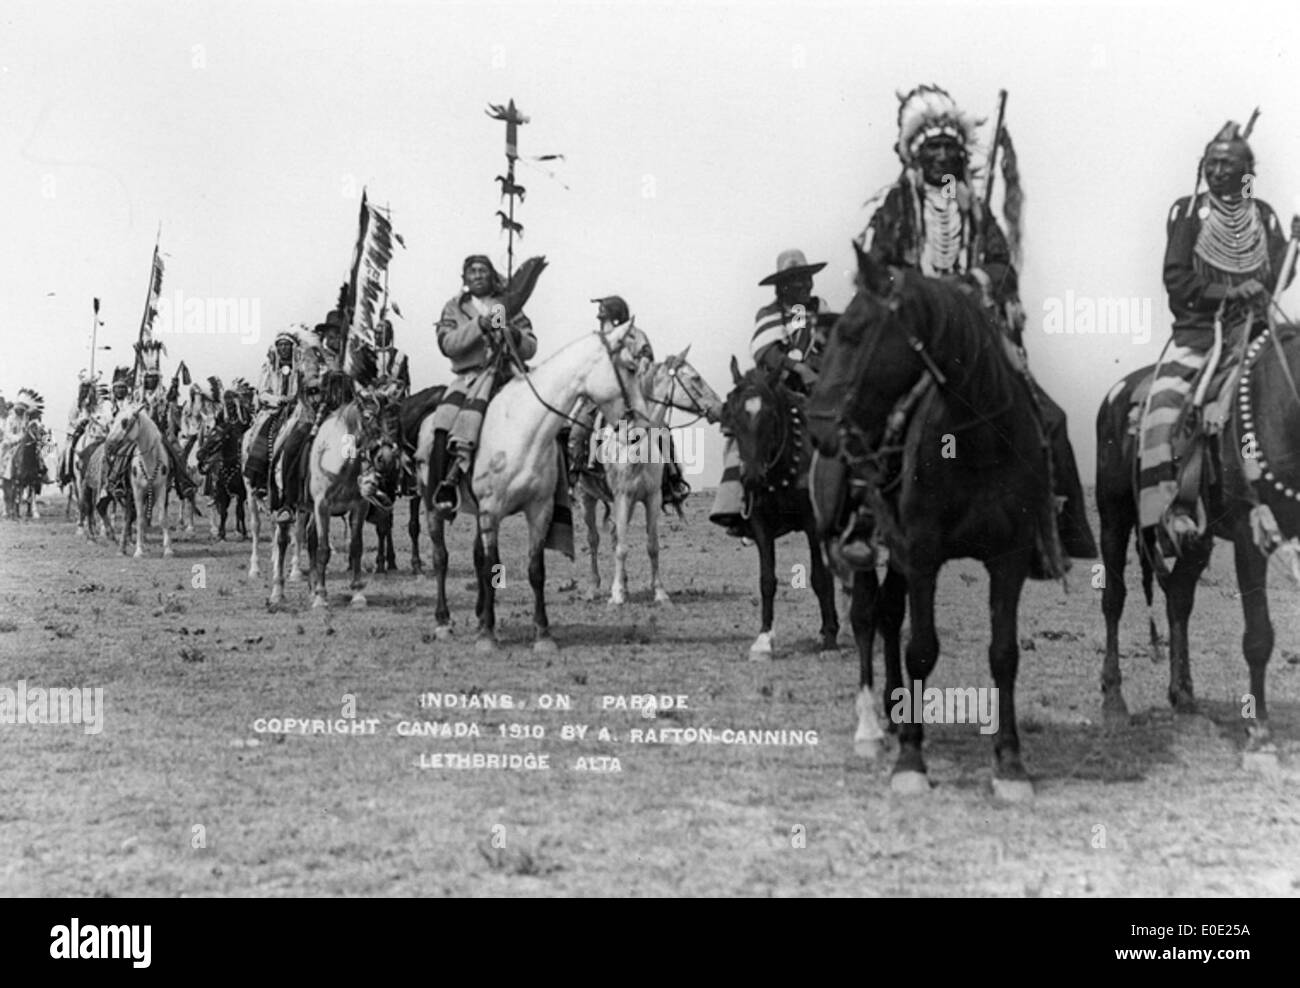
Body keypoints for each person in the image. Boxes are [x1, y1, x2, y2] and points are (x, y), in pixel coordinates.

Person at [838, 84, 1095, 563]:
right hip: (916, 338)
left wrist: (974, 284)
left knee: (1049, 419)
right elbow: (878, 267)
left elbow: (1002, 265)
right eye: (932, 149)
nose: (941, 157)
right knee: (870, 416)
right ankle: (863, 519)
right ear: (917, 155)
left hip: (974, 340)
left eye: (949, 150)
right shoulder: (897, 207)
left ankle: (1052, 522)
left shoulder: (976, 212)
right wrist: (922, 293)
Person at [1141, 116, 1297, 550]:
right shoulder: (1189, 212)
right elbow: (1177, 280)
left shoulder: (1262, 215)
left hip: (1255, 333)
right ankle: (1173, 507)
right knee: (1166, 404)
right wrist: (1229, 291)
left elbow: (1275, 278)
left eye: (1227, 164)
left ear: (1247, 172)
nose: (1217, 171)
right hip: (1202, 334)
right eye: (1211, 162)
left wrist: (1292, 249)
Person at [709, 249, 830, 537]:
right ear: (782, 286)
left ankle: (856, 503)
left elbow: (829, 345)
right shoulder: (769, 314)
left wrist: (818, 369)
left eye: (806, 279)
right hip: (777, 387)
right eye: (795, 281)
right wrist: (799, 369)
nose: (803, 286)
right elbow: (767, 352)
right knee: (743, 428)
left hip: (817, 387)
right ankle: (735, 504)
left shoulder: (819, 310)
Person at [428, 255, 536, 514]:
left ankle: (555, 489)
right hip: (470, 377)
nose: (478, 275)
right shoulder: (454, 308)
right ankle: (445, 486)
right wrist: (478, 325)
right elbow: (448, 344)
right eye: (472, 271)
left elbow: (530, 346)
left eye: (483, 271)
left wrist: (514, 335)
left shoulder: (506, 306)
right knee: (444, 420)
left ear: (492, 275)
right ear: (465, 278)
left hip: (507, 373)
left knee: (547, 417)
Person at [567, 296, 690, 508]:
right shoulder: (598, 339)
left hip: (630, 398)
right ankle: (574, 481)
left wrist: (639, 366)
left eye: (604, 318)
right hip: (598, 398)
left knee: (661, 432)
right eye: (600, 318)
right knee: (576, 432)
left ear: (616, 319)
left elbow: (646, 358)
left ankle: (672, 480)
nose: (600, 322)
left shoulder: (636, 335)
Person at [133, 342, 198, 500]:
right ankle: (115, 482)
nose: (150, 381)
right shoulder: (137, 395)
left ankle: (183, 482)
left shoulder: (162, 394)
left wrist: (173, 392)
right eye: (148, 379)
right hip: (138, 434)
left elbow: (170, 405)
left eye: (154, 379)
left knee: (177, 454)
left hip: (160, 433)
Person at [247, 329, 306, 500]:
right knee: (266, 431)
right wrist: (278, 399)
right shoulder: (269, 367)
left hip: (299, 408)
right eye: (280, 345)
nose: (284, 349)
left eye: (287, 345)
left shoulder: (300, 367)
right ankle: (260, 479)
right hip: (276, 409)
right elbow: (262, 392)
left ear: (292, 347)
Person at [373, 317, 411, 401]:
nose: (376, 336)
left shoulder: (400, 356)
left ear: (389, 335)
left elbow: (405, 382)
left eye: (380, 333)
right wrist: (376, 382)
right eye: (376, 333)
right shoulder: (369, 354)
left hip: (393, 399)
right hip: (371, 399)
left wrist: (389, 381)